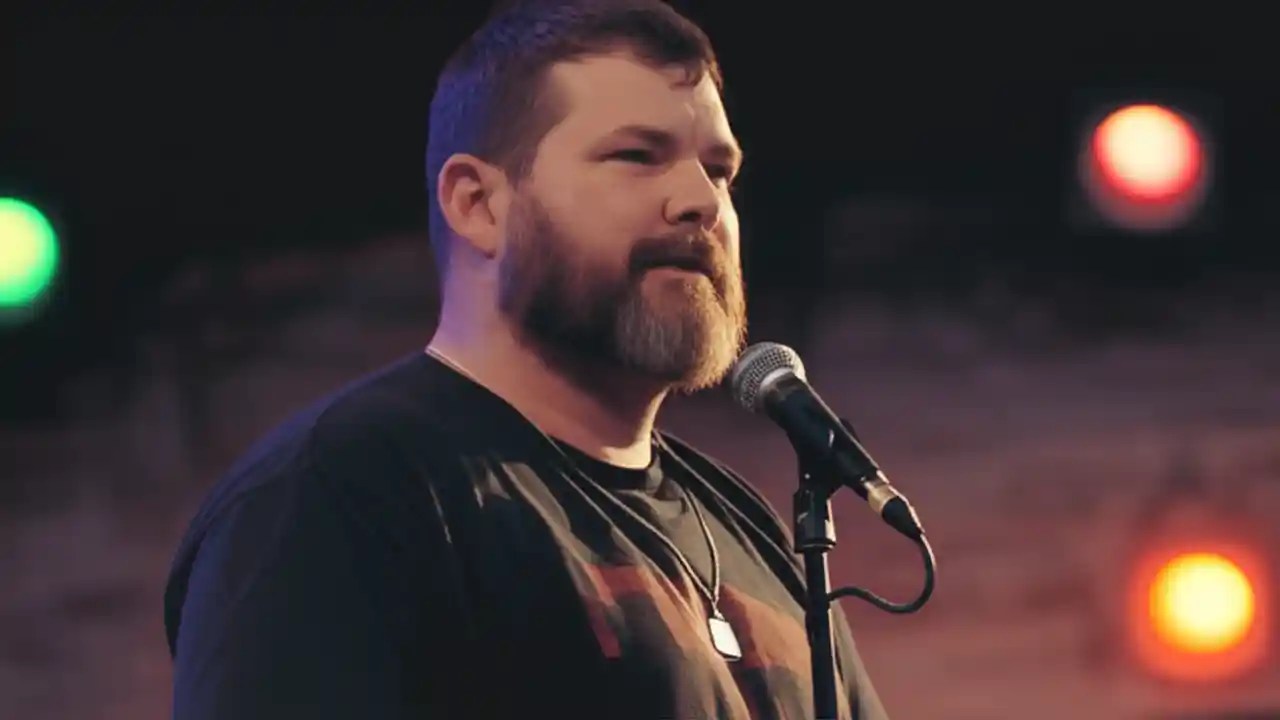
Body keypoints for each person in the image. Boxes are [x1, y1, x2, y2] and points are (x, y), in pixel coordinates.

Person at [163, 1, 889, 717]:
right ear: (478, 204)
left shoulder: (751, 532)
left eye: (720, 171)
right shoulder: (339, 491)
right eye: (637, 156)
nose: (701, 201)